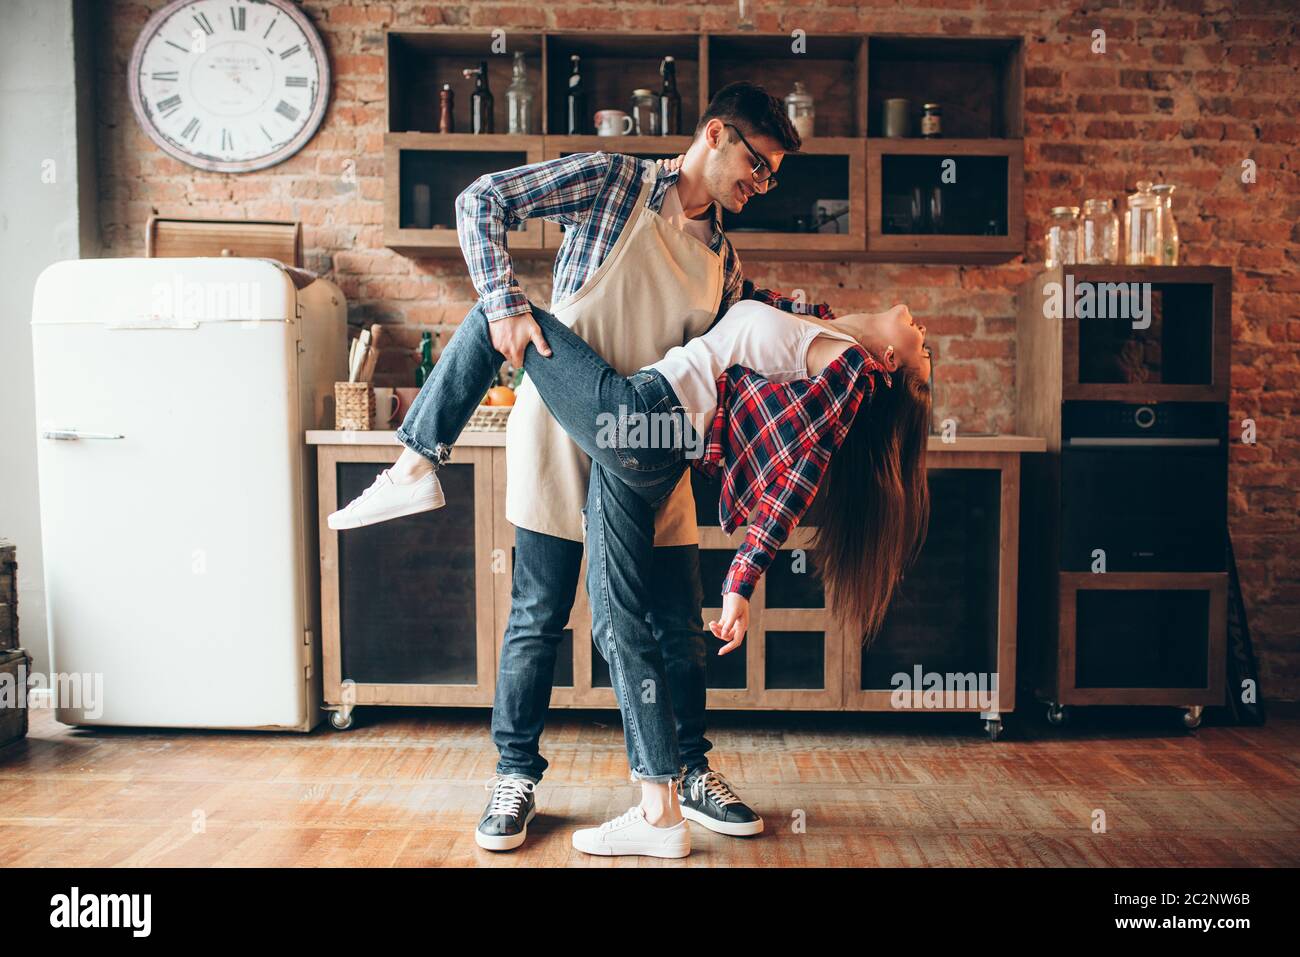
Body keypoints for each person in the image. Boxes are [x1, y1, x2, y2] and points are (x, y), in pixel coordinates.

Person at [367, 82, 840, 853]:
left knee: (677, 630)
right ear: (714, 135)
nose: (763, 184)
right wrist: (501, 301)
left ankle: (687, 771)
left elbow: (724, 365)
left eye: (773, 175)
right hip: (559, 428)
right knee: (536, 617)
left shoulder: (725, 258)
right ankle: (515, 775)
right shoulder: (614, 182)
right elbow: (482, 198)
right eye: (758, 164)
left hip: (649, 450)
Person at [329, 295, 932, 858]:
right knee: (618, 617)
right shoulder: (817, 328)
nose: (925, 334)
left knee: (504, 308)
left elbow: (799, 473)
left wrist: (742, 578)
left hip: (639, 416)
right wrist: (740, 583)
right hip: (650, 439)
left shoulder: (852, 367)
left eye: (922, 355)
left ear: (886, 364)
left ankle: (412, 467)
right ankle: (659, 806)